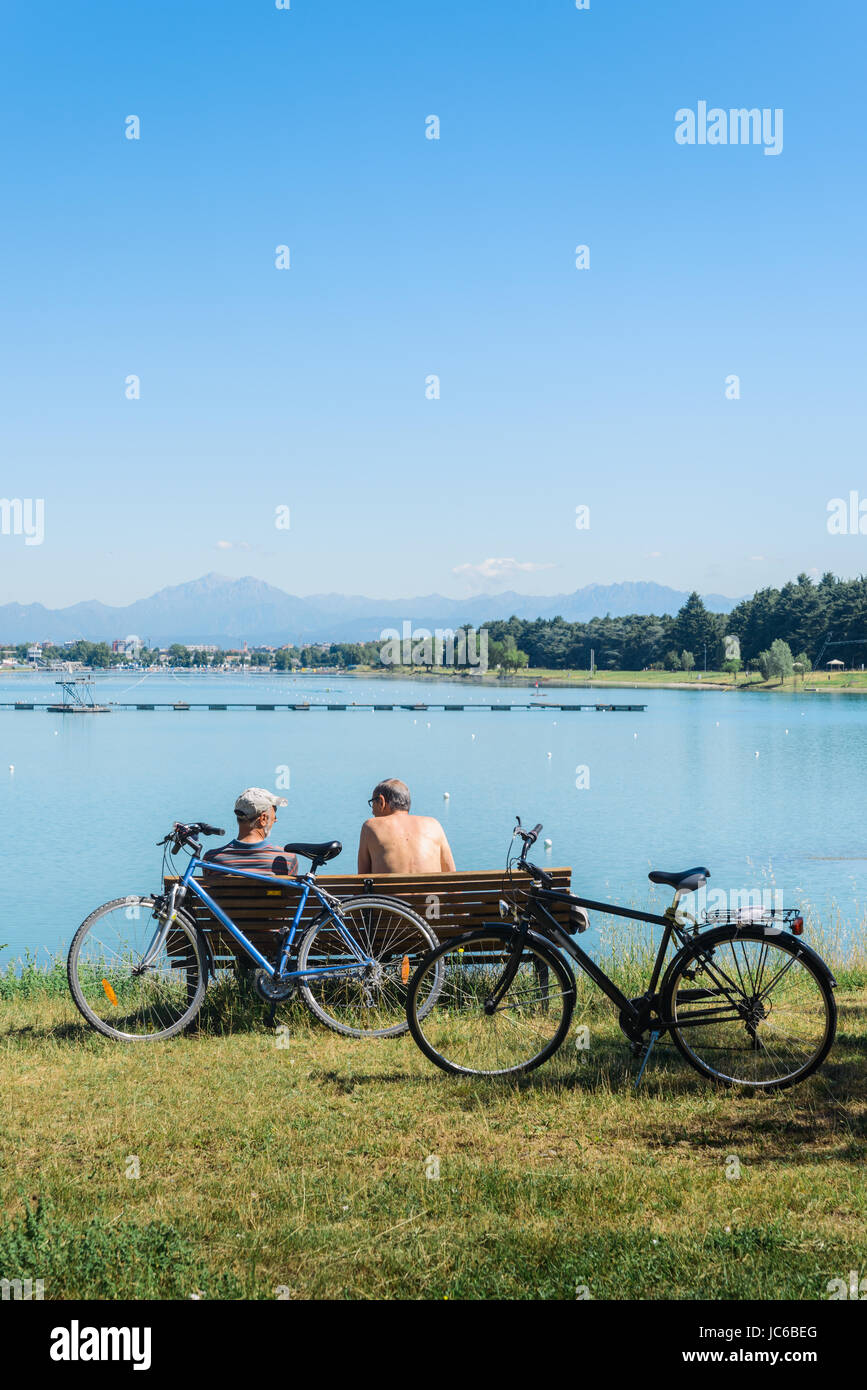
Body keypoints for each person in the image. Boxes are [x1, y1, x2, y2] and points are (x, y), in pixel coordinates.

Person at [357, 778, 456, 873]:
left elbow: (362, 880)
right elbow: (453, 882)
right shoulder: (434, 825)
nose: (372, 811)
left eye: (372, 802)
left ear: (381, 802)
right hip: (431, 890)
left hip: (390, 890)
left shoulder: (370, 826)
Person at [202, 787, 298, 876]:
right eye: (274, 814)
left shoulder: (212, 858)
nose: (276, 819)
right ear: (263, 819)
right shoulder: (287, 859)